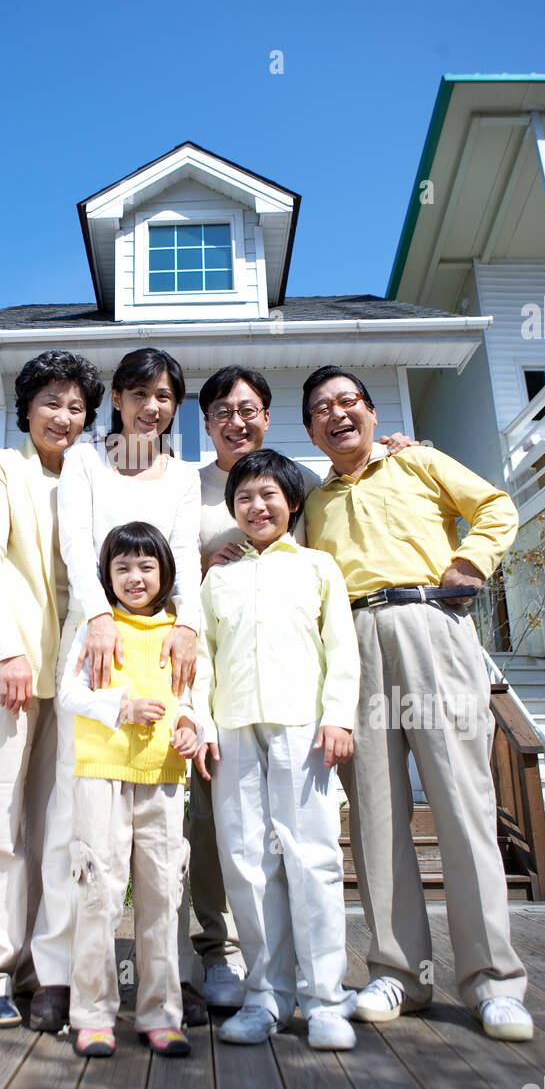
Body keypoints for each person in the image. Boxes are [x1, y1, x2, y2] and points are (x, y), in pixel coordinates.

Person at [302, 365, 532, 1042]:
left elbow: (495, 506)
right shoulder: (313, 505)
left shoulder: (420, 460)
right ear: (313, 431)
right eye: (321, 409)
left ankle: (494, 981)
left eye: (348, 401)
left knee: (461, 804)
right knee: (375, 813)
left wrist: (472, 563)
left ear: (370, 414)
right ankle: (399, 973)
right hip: (353, 645)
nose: (337, 413)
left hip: (431, 625)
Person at [180, 364, 417, 1019]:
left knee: (308, 849)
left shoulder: (310, 527)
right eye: (223, 410)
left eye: (250, 407)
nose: (238, 419)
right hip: (230, 715)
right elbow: (192, 633)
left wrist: (396, 449)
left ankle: (318, 989)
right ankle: (243, 974)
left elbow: (340, 643)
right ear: (207, 423)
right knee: (234, 849)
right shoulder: (198, 519)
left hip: (299, 711)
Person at [31, 347, 201, 1033]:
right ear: (120, 401)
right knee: (76, 821)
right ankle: (58, 974)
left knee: (158, 833)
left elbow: (183, 552)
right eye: (138, 394)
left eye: (163, 395)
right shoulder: (85, 462)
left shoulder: (184, 475)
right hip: (94, 631)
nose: (150, 406)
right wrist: (98, 614)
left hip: (160, 631)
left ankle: (163, 995)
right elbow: (77, 541)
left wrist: (187, 623)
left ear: (173, 404)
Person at [0, 350, 104, 1027]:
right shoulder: (0, 469)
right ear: (27, 408)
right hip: (0, 665)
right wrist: (12, 650)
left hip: (64, 676)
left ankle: (40, 967)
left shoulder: (88, 477)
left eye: (76, 407)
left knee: (51, 825)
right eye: (52, 402)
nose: (64, 417)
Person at [192, 449, 361, 1051]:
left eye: (268, 496)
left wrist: (338, 717)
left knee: (311, 857)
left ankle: (324, 1000)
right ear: (232, 509)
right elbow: (204, 660)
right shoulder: (219, 577)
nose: (256, 506)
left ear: (291, 502)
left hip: (304, 727)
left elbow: (342, 650)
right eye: (243, 498)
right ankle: (265, 995)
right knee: (245, 859)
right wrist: (205, 726)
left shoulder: (318, 567)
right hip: (234, 729)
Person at [60, 523, 198, 1057]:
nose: (135, 577)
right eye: (122, 567)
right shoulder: (98, 627)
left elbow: (192, 697)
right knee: (99, 894)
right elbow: (69, 692)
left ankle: (161, 1014)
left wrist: (191, 728)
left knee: (163, 896)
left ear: (164, 572)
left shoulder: (181, 632)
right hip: (102, 774)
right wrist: (121, 706)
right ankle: (92, 1014)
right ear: (107, 576)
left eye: (146, 566)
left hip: (164, 777)